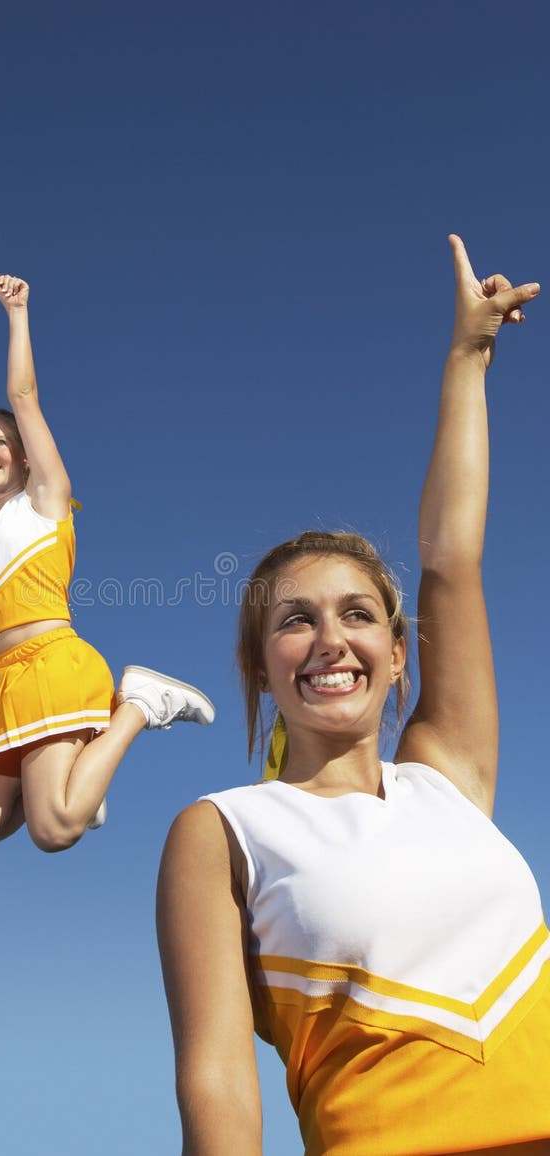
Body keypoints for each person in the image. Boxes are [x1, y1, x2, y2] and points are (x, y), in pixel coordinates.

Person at [156, 236, 550, 1154]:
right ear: (259, 667)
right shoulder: (224, 829)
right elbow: (217, 1080)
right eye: (295, 620)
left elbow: (452, 560)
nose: (331, 640)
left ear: (399, 653)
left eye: (358, 615)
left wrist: (467, 357)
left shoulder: (448, 778)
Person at [0, 271, 214, 854]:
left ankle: (138, 704)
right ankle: (72, 776)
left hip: (55, 665)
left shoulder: (47, 501)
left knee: (54, 830)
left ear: (26, 457)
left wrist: (17, 314)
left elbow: (23, 397)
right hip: (2, 679)